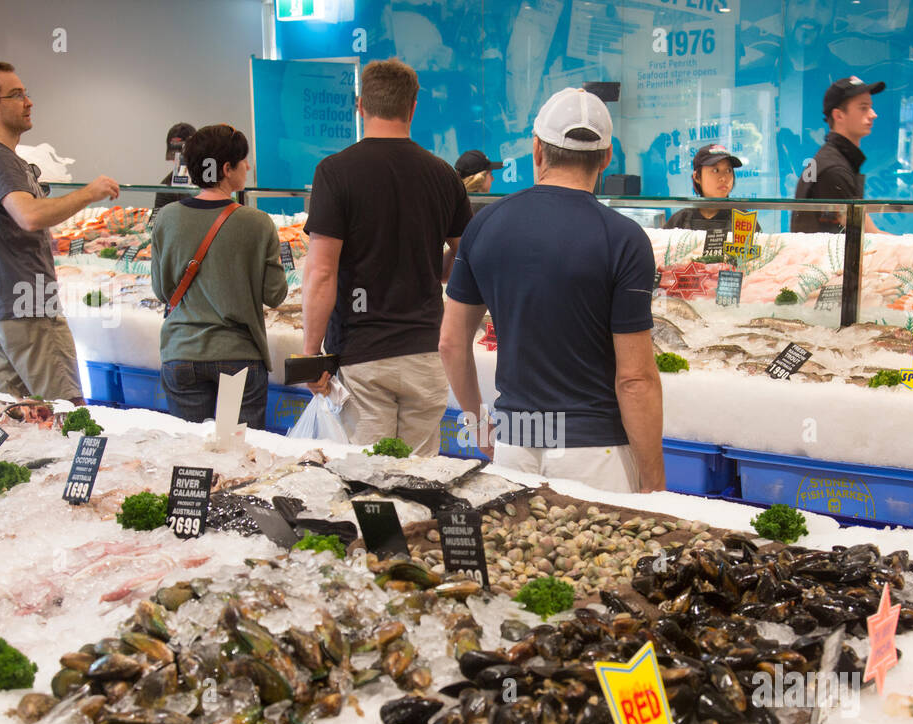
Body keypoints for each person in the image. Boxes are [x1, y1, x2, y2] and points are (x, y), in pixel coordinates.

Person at [440, 87, 665, 495]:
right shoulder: (625, 239)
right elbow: (635, 379)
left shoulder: (485, 225)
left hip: (513, 445)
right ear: (607, 157)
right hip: (596, 455)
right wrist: (654, 481)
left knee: (521, 560)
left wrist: (478, 427)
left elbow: (452, 344)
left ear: (537, 150)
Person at [300, 58, 472, 456]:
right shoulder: (444, 175)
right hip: (427, 356)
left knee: (368, 486)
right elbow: (468, 260)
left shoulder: (334, 172)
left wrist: (311, 354)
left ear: (361, 106)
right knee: (420, 485)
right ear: (412, 108)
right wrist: (429, 270)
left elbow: (322, 272)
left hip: (363, 358)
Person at [0, 61, 120, 402]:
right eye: (16, 95)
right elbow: (29, 216)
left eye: (26, 93)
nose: (28, 102)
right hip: (28, 307)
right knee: (65, 417)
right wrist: (90, 193)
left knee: (23, 423)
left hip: (0, 308)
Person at [150, 125, 286, 429]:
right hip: (239, 357)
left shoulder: (167, 218)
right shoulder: (258, 223)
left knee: (193, 459)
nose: (248, 166)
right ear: (226, 169)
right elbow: (274, 295)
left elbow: (161, 290)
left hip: (181, 354)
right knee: (240, 460)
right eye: (243, 161)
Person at [792, 76, 884, 234]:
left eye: (871, 107)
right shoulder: (833, 169)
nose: (873, 114)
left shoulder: (833, 160)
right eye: (863, 108)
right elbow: (868, 236)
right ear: (839, 115)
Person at [664, 144, 744, 231]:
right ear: (697, 177)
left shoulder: (743, 220)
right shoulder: (679, 221)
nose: (723, 178)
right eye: (715, 170)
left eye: (728, 170)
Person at [155, 122, 195, 210]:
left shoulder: (211, 180)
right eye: (175, 157)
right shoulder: (165, 186)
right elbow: (157, 221)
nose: (179, 161)